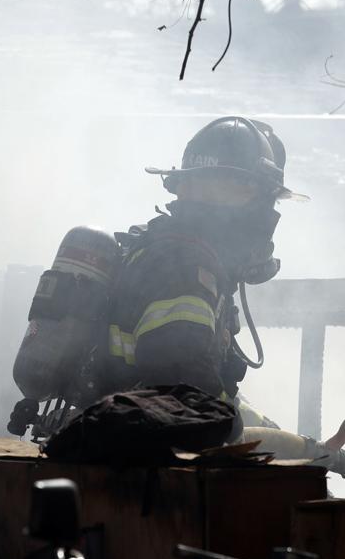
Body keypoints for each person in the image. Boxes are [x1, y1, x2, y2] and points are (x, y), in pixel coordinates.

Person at [99, 116, 303, 426]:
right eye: (264, 200)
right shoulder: (187, 269)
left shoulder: (165, 248)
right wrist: (252, 435)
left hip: (112, 437)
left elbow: (204, 388)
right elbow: (186, 393)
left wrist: (265, 427)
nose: (267, 216)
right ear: (242, 195)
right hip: (133, 458)